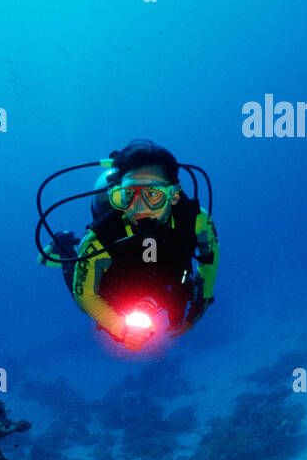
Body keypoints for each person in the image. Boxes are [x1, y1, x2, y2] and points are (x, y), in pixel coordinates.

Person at [41, 139, 218, 349]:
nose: (139, 208)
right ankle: (63, 246)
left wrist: (201, 302)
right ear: (118, 194)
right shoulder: (100, 237)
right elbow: (85, 295)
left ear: (174, 194)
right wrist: (121, 329)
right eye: (128, 195)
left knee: (178, 309)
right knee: (84, 285)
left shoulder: (197, 220)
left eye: (153, 194)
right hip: (118, 280)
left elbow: (209, 260)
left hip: (166, 274)